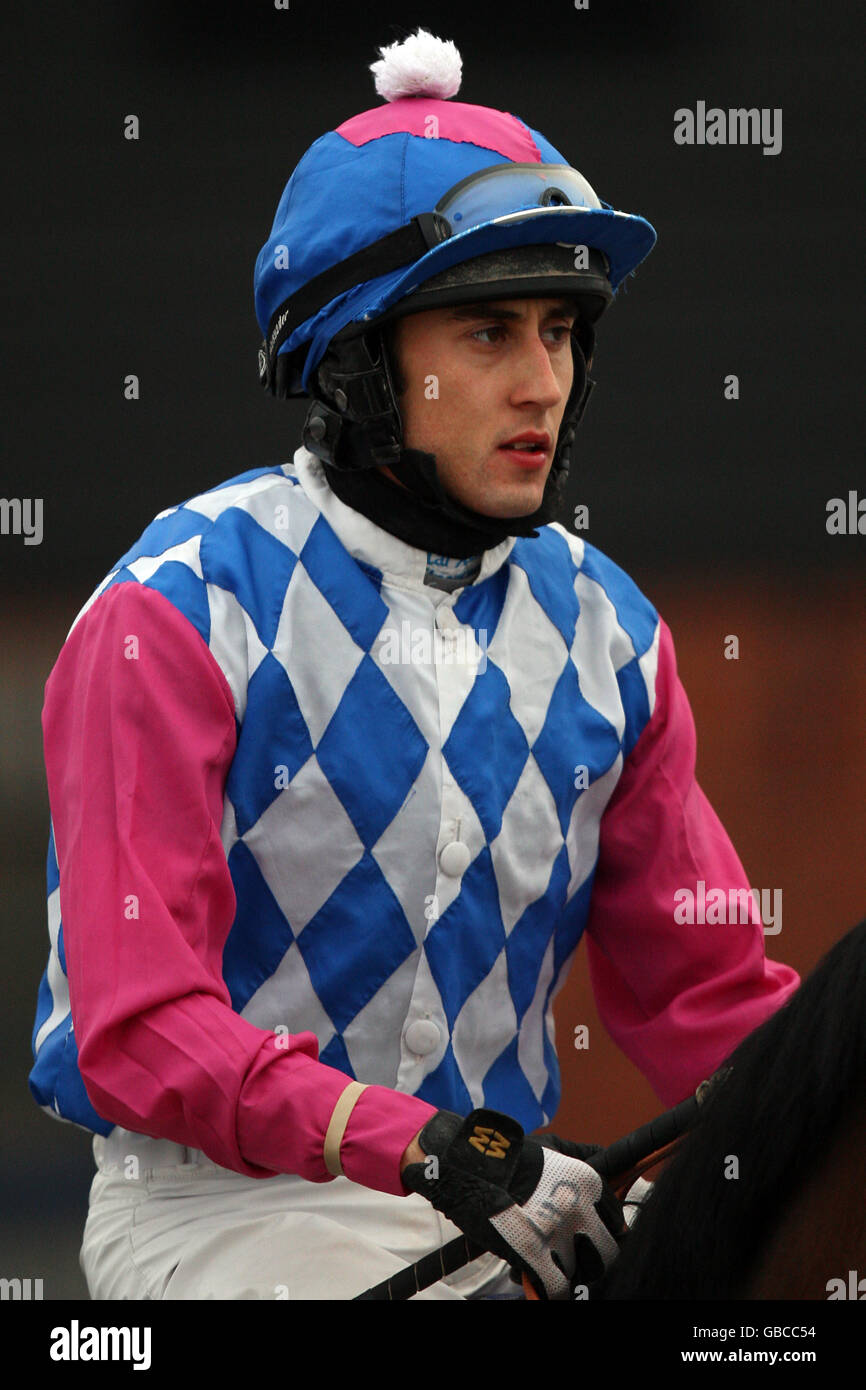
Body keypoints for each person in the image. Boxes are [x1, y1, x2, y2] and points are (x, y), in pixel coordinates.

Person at [30, 30, 798, 1300]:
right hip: (220, 1220)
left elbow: (708, 996)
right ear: (353, 356)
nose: (542, 380)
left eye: (561, 331)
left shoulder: (611, 635)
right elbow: (137, 1027)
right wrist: (429, 1147)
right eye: (489, 332)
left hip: (508, 1214)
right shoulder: (177, 607)